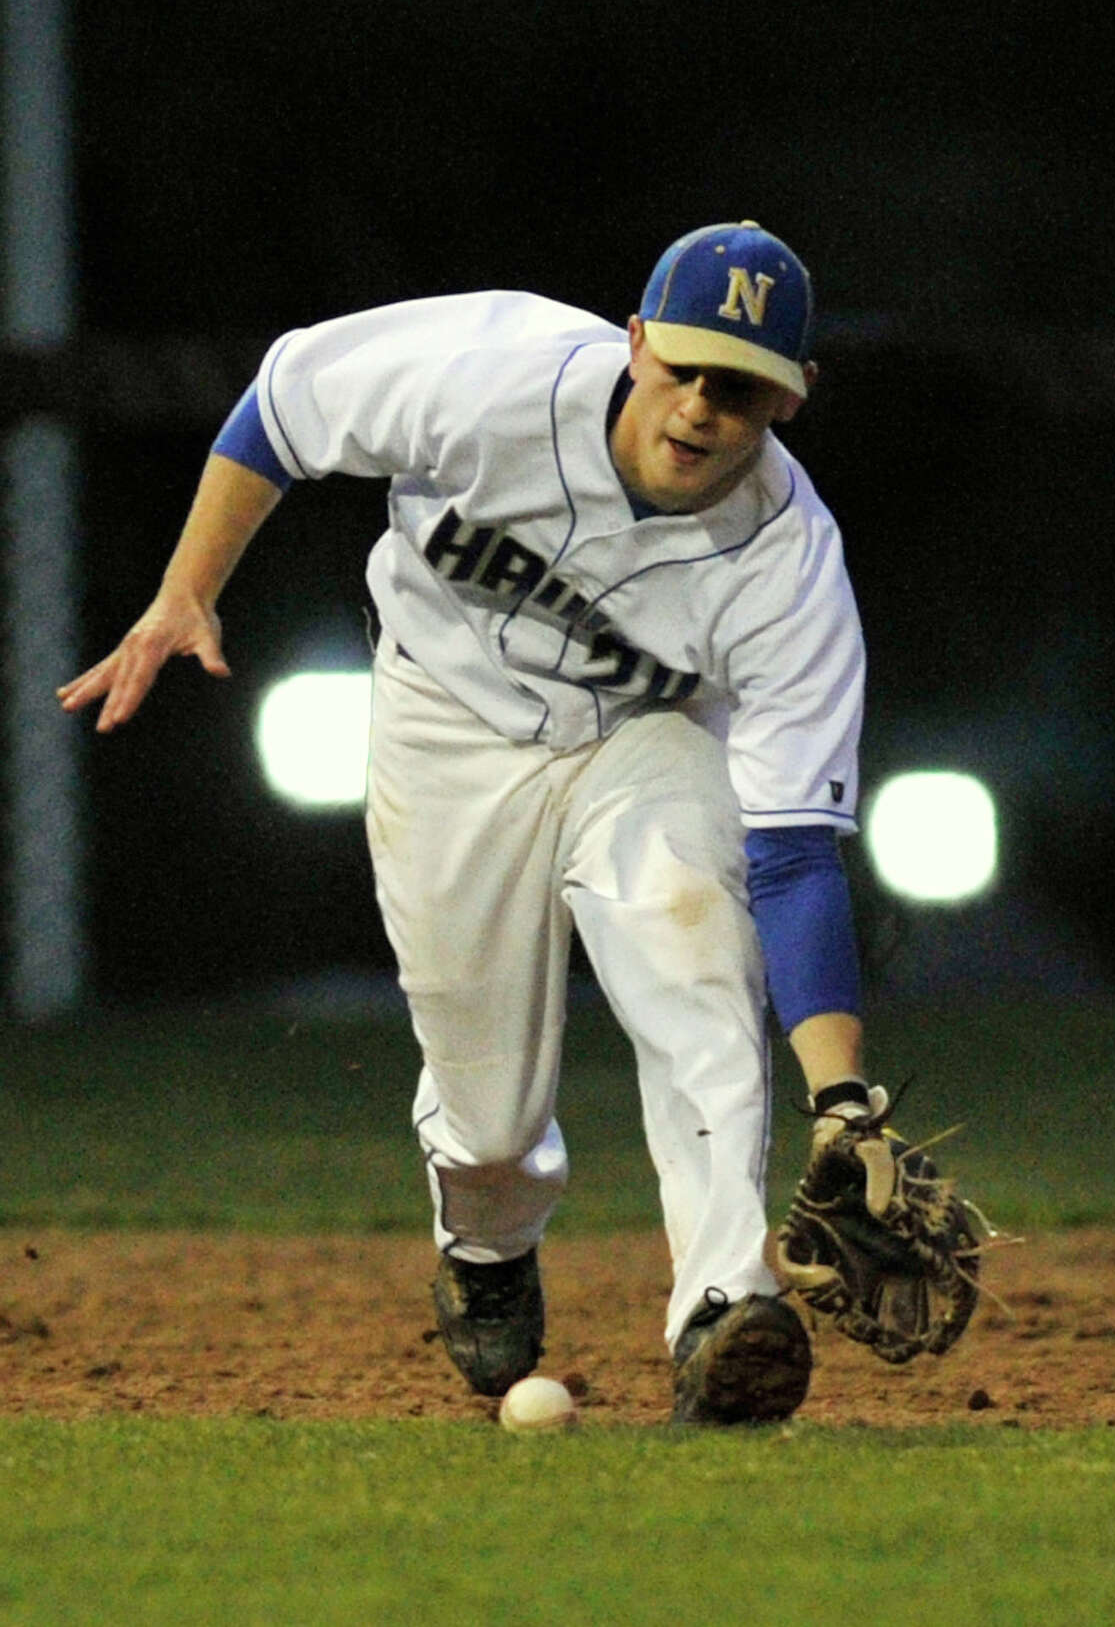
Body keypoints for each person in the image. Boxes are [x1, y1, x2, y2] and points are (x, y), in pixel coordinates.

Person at [59, 220, 881, 1425]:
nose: (703, 406)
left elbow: (794, 850)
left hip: (639, 743)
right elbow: (283, 405)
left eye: (743, 386)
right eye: (687, 366)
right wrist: (189, 587)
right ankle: (489, 1244)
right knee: (489, 1109)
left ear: (794, 397)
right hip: (447, 717)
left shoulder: (789, 559)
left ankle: (723, 1306)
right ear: (638, 339)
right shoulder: (497, 371)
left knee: (693, 945)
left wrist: (846, 1100)